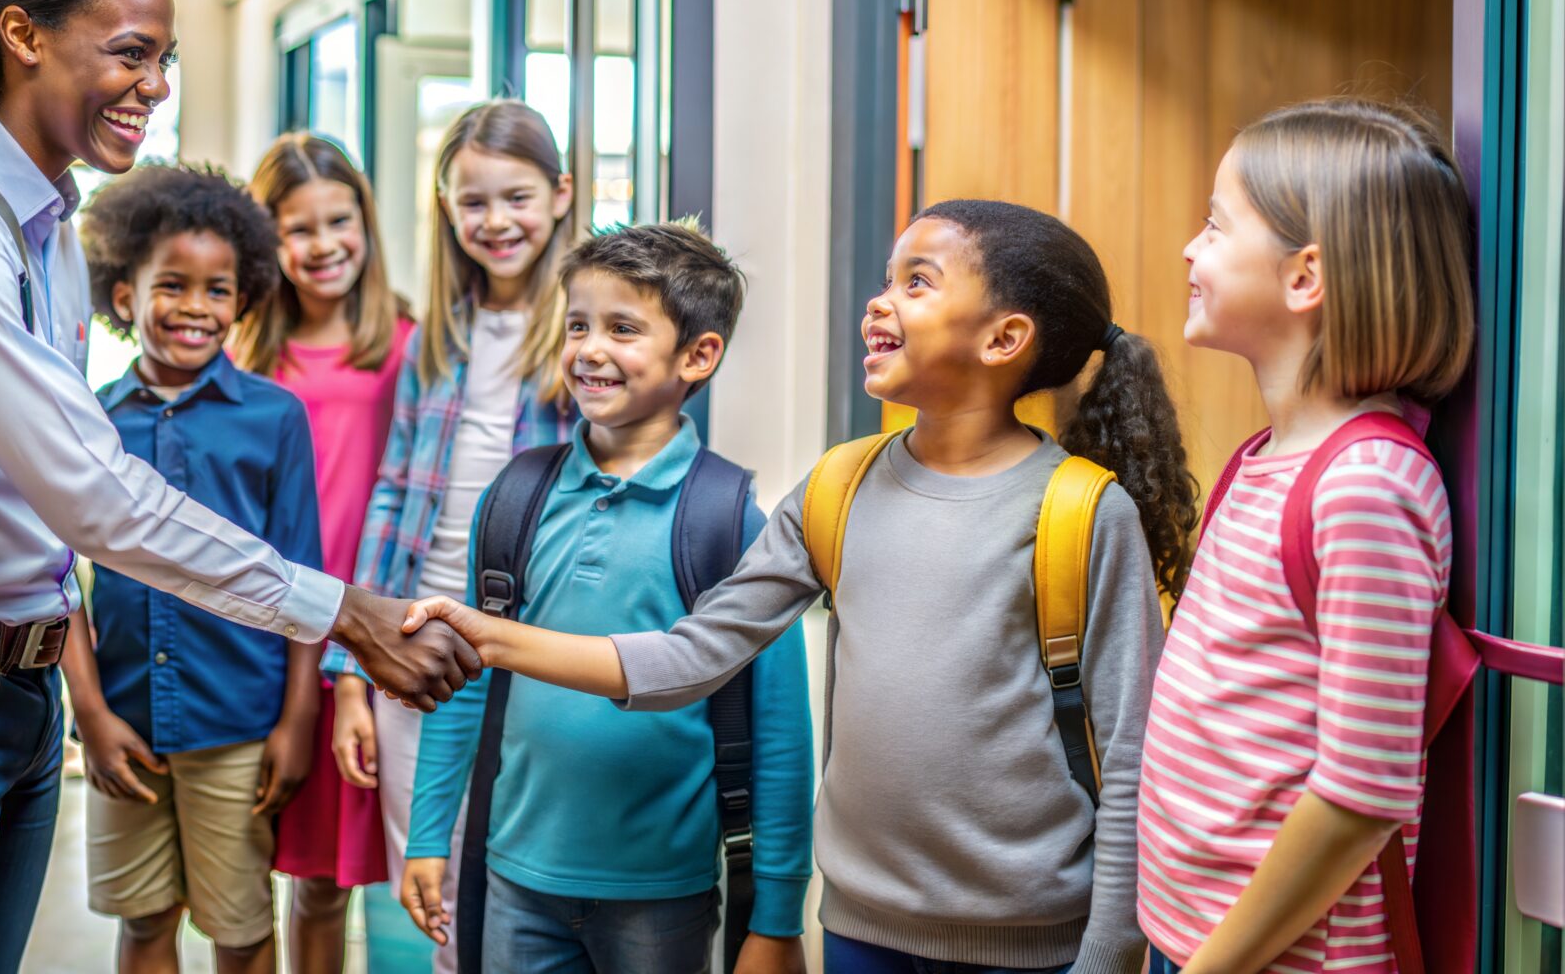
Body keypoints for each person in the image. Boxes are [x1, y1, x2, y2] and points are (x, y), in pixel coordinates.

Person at [0, 0, 475, 974]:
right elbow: (94, 497)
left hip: (4, 686)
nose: (155, 85)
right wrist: (343, 611)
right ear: (21, 35)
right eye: (130, 53)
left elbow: (29, 514)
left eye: (165, 59)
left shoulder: (45, 224)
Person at [407, 199, 1202, 974]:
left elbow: (1134, 758)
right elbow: (695, 656)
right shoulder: (838, 485)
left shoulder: (1084, 512)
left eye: (916, 282)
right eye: (887, 278)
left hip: (1039, 943)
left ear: (1004, 338)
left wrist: (1108, 955)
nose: (879, 300)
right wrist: (488, 635)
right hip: (861, 930)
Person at [399, 222, 814, 974]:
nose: (589, 348)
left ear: (698, 355)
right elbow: (462, 681)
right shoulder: (517, 495)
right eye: (579, 325)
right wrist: (430, 835)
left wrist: (777, 915)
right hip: (515, 873)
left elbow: (780, 732)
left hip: (664, 892)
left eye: (622, 329)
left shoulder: (727, 520)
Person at [1137, 99, 1472, 974]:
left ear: (1305, 276)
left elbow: (1363, 794)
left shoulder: (1366, 485)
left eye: (1215, 226)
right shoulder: (1262, 460)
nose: (1190, 249)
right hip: (1196, 939)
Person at [60, 164, 320, 974]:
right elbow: (56, 576)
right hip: (127, 720)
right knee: (142, 925)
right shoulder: (87, 420)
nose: (195, 308)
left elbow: (305, 575)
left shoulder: (275, 418)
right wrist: (91, 715)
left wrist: (297, 719)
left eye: (217, 290)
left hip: (239, 718)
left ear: (242, 299)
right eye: (172, 285)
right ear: (124, 295)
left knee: (241, 929)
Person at [337, 100, 579, 972]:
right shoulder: (436, 336)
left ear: (561, 194)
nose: (495, 221)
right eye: (472, 202)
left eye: (515, 197)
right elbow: (393, 492)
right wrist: (352, 679)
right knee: (432, 874)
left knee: (515, 876)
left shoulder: (585, 332)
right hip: (418, 635)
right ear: (445, 207)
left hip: (532, 638)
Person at [234, 132, 413, 973]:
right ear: (267, 239)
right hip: (266, 638)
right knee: (265, 876)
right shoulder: (243, 355)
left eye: (339, 221)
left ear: (366, 224)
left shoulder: (410, 347)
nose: (323, 245)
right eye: (298, 228)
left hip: (371, 631)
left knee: (339, 879)